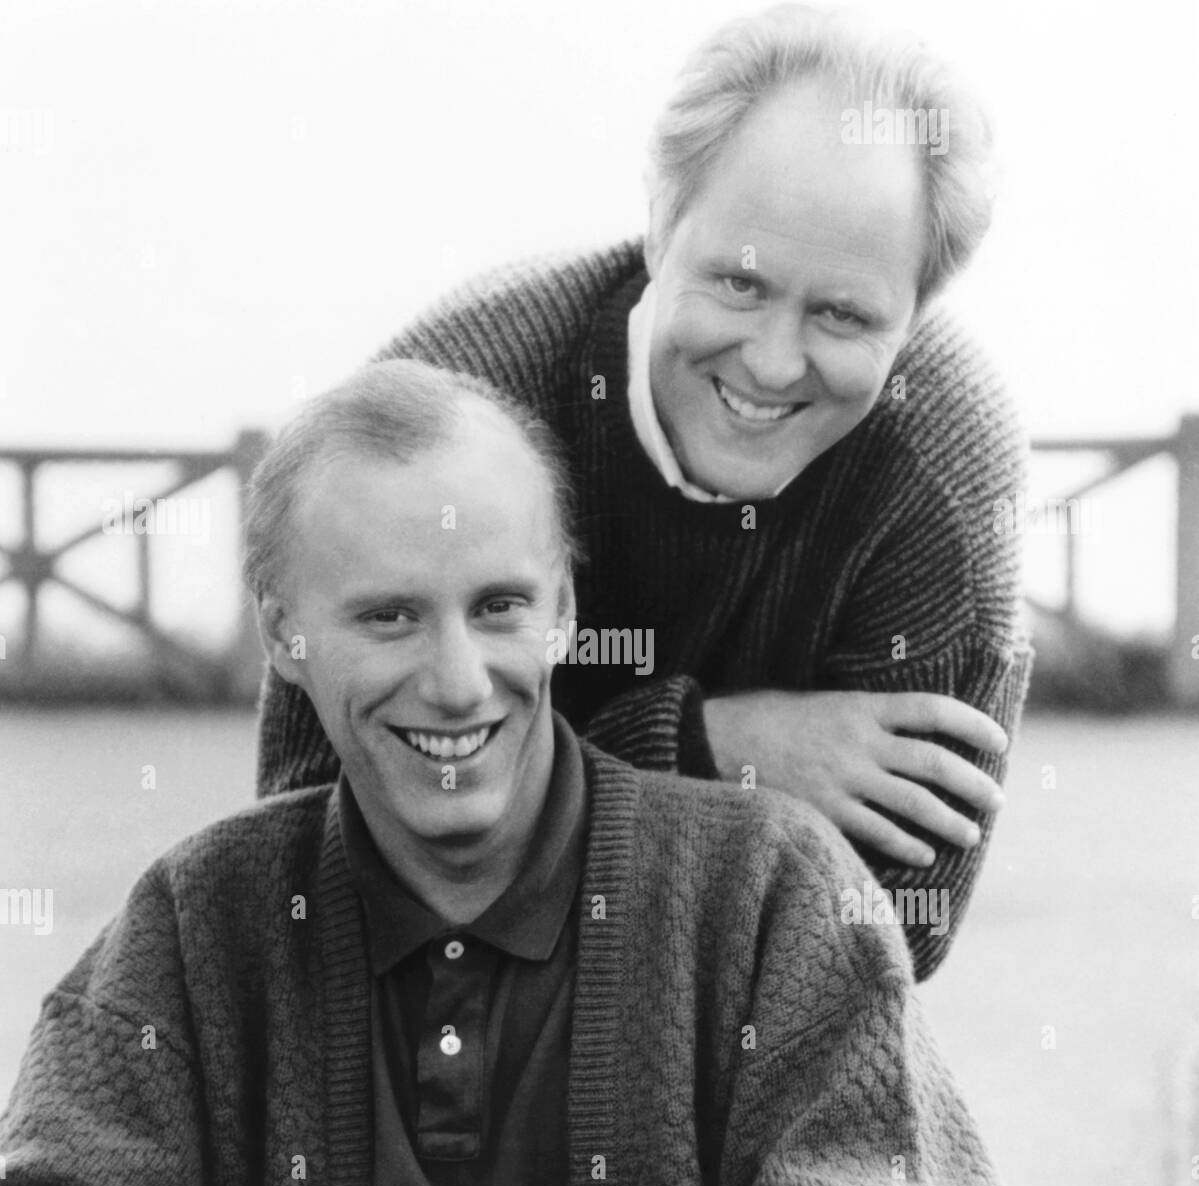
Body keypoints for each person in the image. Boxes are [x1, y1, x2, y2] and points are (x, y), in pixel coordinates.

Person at [0, 360, 1028, 1186]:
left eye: (497, 606)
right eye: (389, 617)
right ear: (283, 632)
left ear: (565, 607)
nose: (455, 684)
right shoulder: (195, 920)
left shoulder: (770, 889)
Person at [256, 4, 1034, 981]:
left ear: (916, 310)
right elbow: (303, 866)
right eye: (738, 284)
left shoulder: (948, 469)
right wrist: (704, 750)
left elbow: (883, 934)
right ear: (660, 223)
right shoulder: (455, 406)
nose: (772, 360)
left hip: (728, 1065)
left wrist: (546, 810)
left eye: (841, 314)